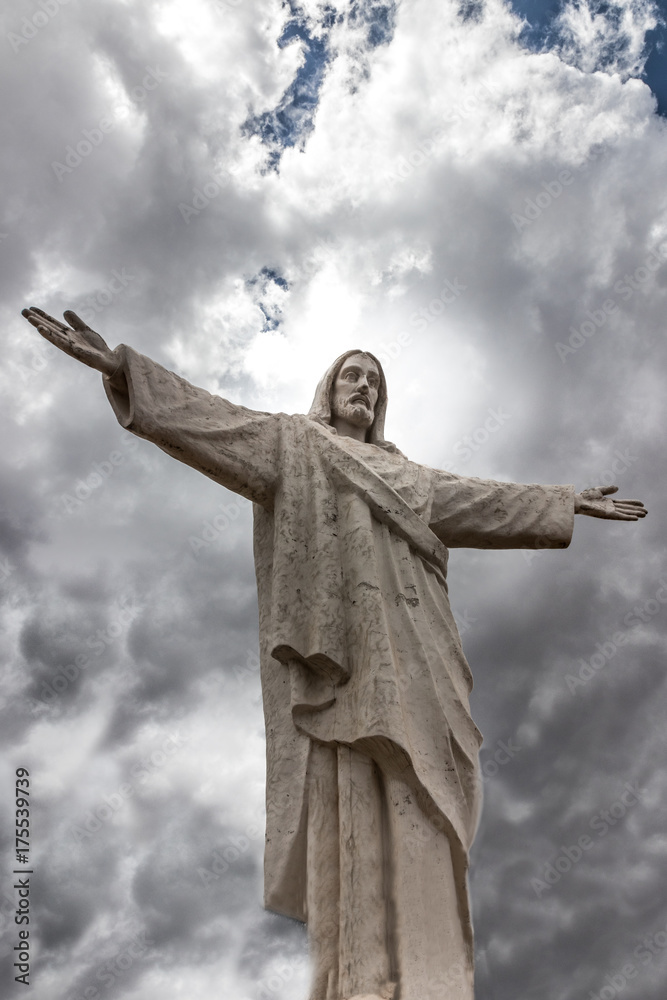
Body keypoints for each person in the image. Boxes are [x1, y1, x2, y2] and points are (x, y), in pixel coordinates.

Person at [21, 306, 647, 1000]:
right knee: (353, 783)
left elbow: (478, 500)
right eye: (352, 375)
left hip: (416, 653)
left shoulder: (407, 477)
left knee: (425, 794)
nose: (364, 387)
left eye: (374, 382)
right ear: (328, 387)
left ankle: (429, 976)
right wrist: (125, 370)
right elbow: (212, 420)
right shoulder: (293, 446)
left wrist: (561, 502)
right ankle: (362, 976)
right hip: (346, 655)